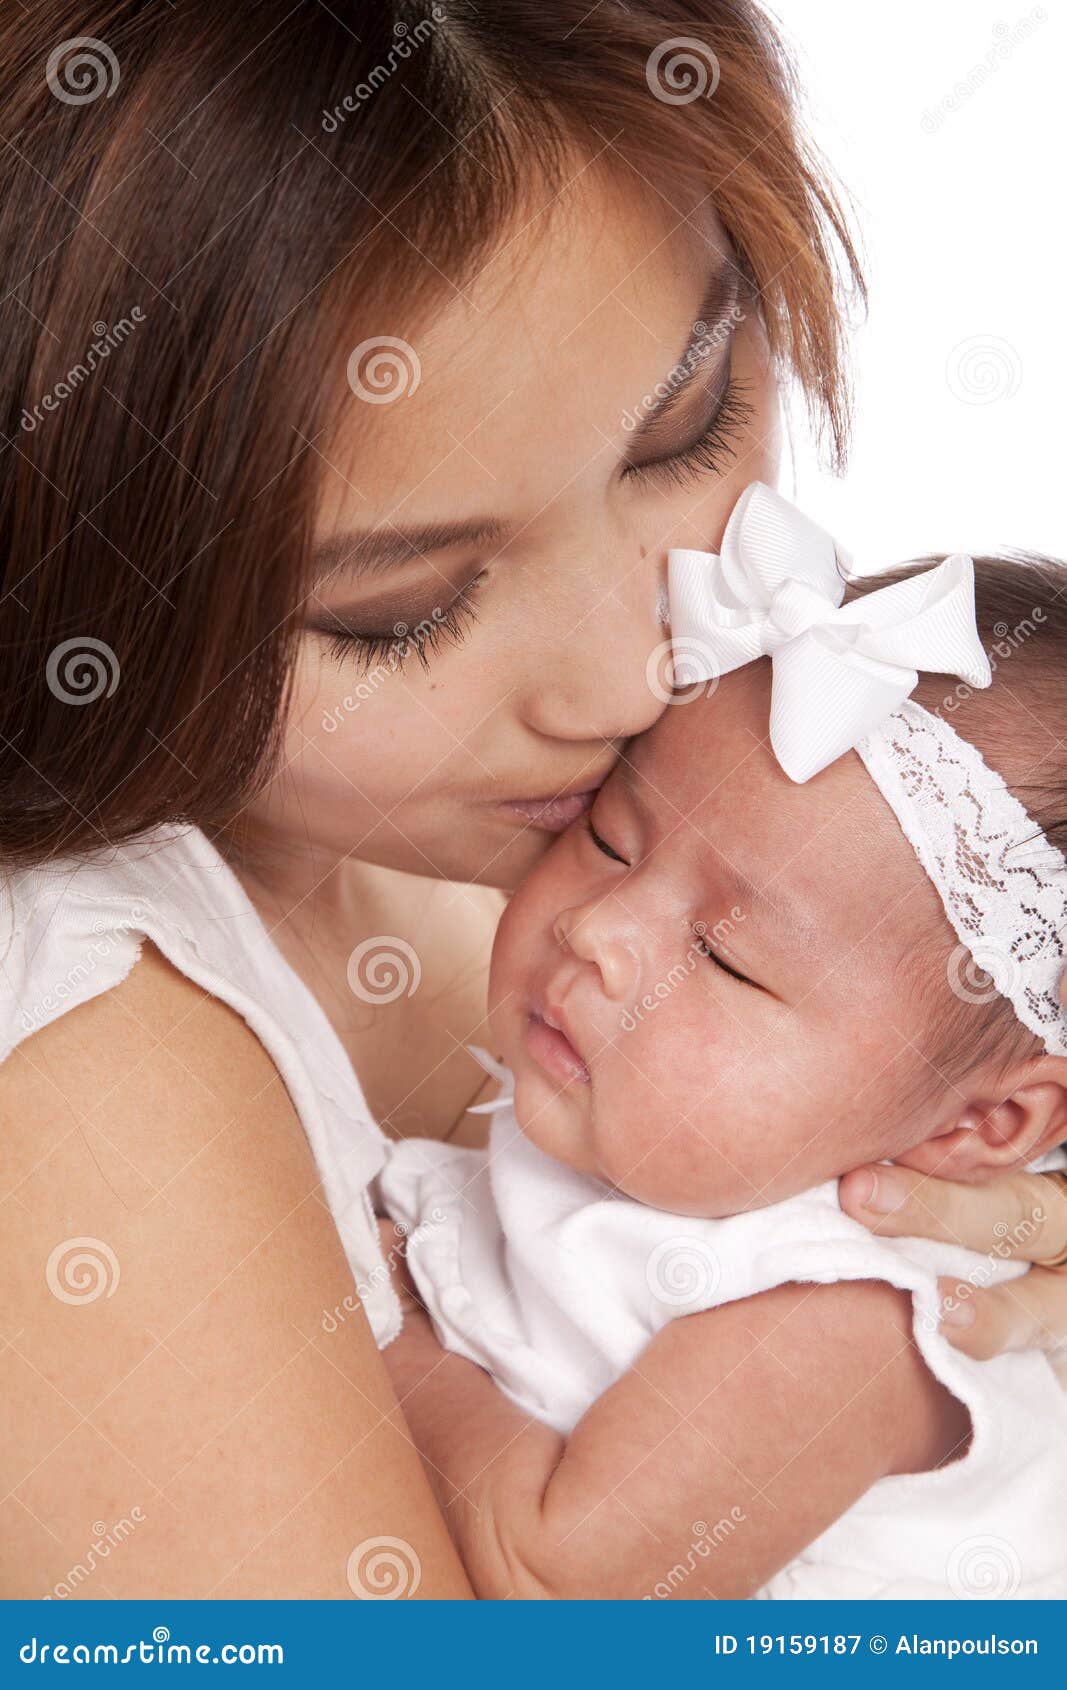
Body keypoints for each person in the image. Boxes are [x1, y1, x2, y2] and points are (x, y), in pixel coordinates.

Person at [1, 2, 1063, 1598]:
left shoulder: (637, 832)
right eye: (398, 609)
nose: (635, 679)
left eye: (686, 423)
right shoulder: (82, 1032)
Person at [380, 490, 1067, 1598]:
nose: (594, 932)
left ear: (980, 1123)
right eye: (608, 838)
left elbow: (555, 1581)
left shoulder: (835, 1312)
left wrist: (386, 1331)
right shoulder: (657, 1166)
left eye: (726, 958)